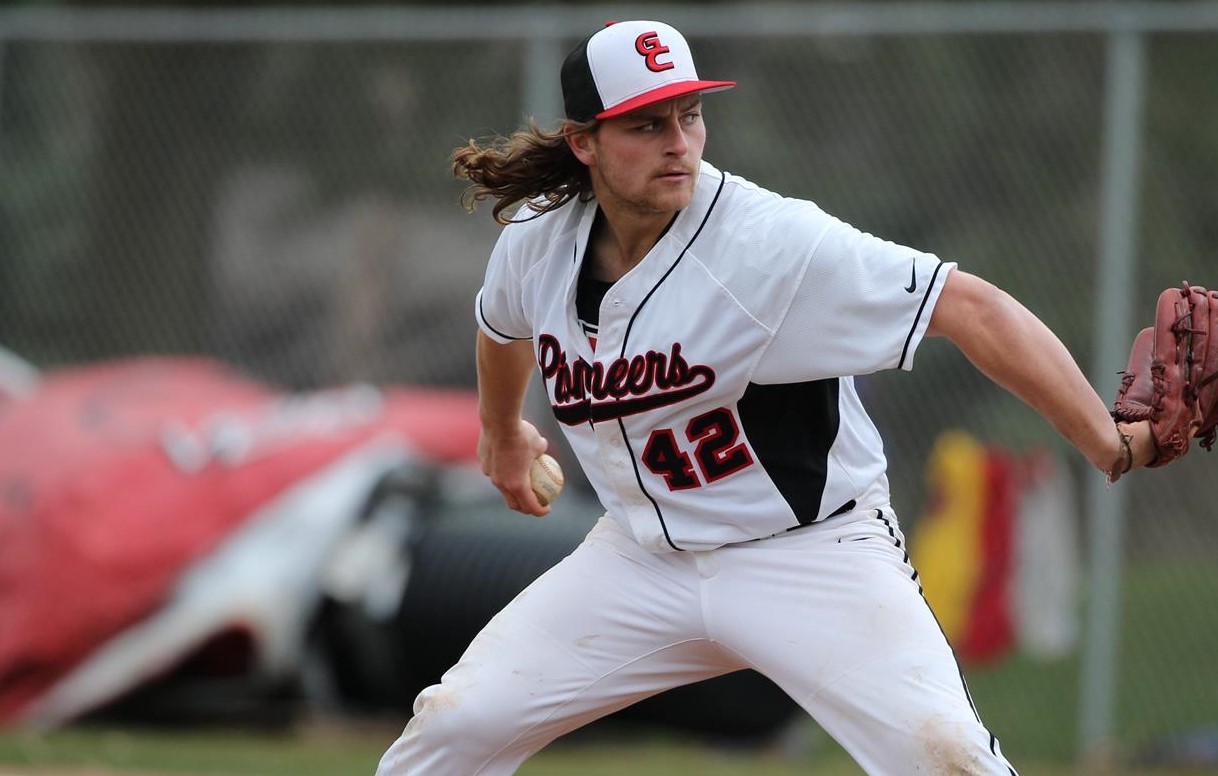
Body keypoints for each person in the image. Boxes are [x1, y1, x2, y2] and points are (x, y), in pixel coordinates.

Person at [376, 19, 1156, 775]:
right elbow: (501, 325)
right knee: (454, 727)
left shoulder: (771, 245)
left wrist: (1106, 440)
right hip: (642, 562)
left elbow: (971, 307)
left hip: (809, 556)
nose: (678, 142)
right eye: (646, 125)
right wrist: (502, 430)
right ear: (583, 144)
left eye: (690, 114)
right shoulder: (538, 241)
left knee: (946, 759)